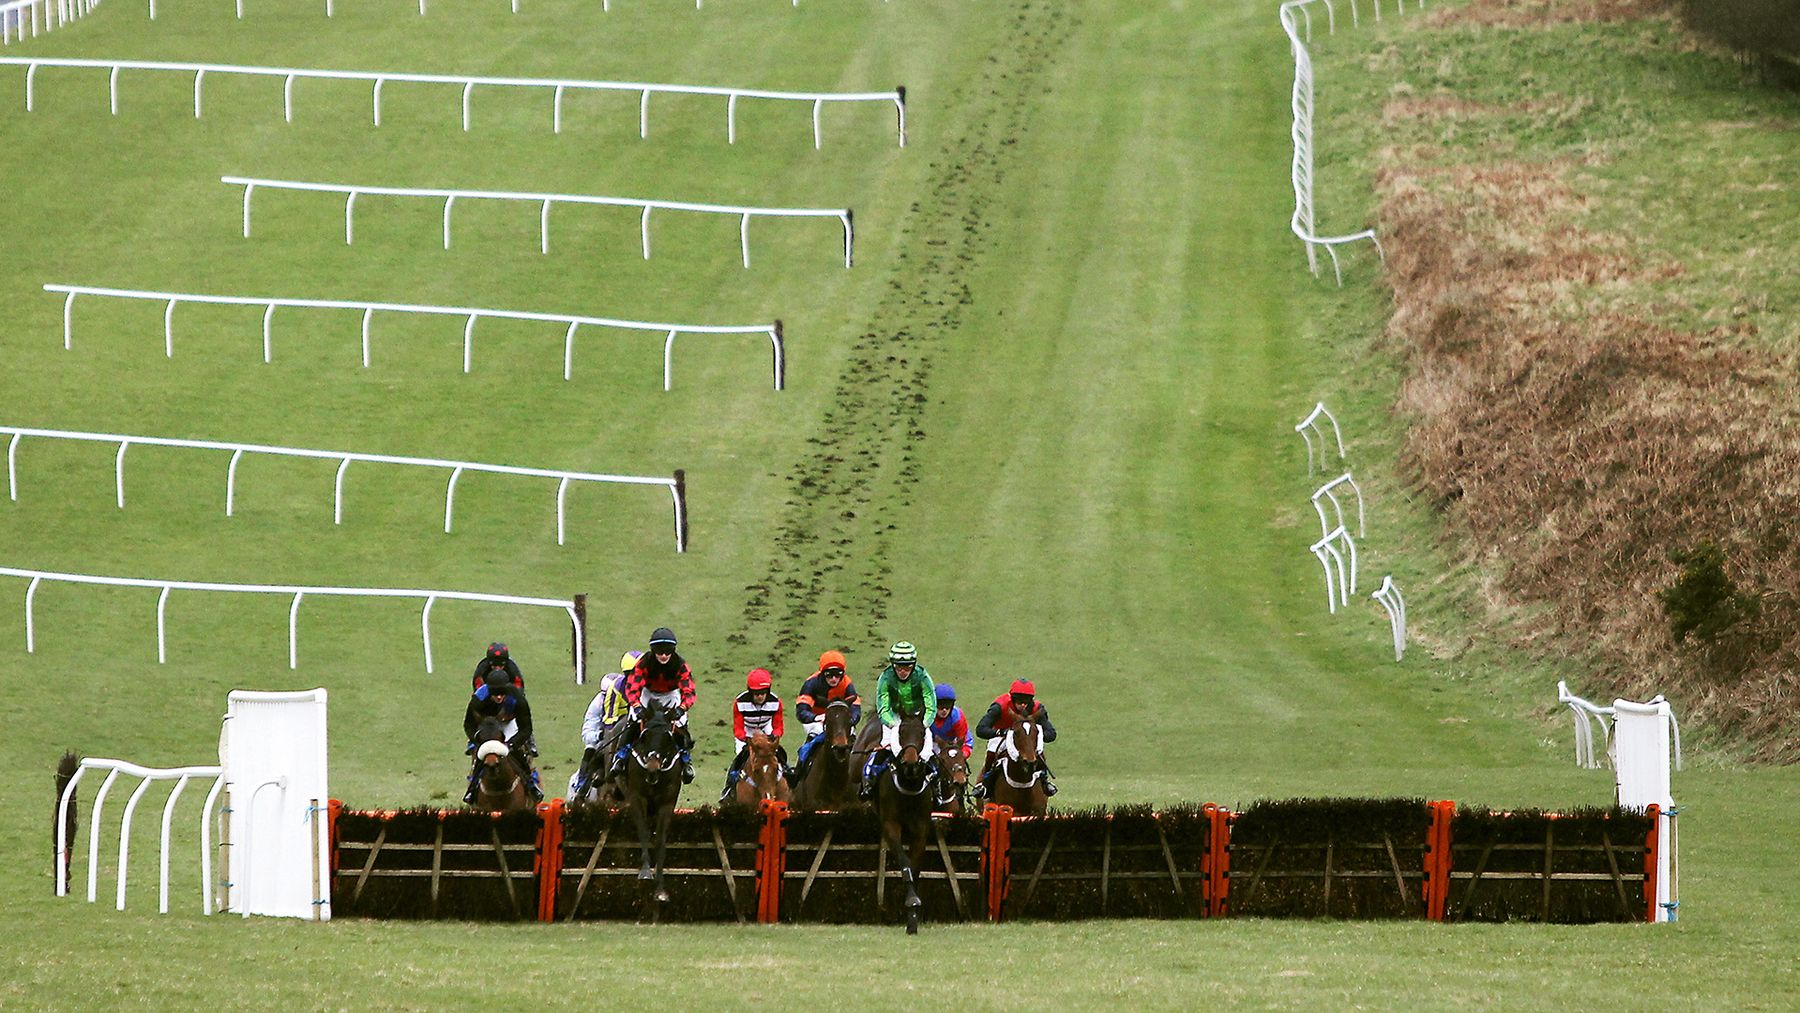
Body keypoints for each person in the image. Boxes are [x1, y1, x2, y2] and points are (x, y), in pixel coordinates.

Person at [609, 627, 697, 784]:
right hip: (647, 693)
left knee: (681, 725)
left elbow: (689, 691)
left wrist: (682, 708)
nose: (663, 655)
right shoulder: (643, 663)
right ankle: (620, 756)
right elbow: (632, 687)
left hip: (671, 694)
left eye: (667, 652)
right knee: (633, 721)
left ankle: (686, 761)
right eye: (659, 652)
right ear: (653, 650)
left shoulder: (681, 665)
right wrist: (636, 705)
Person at [859, 641, 938, 800]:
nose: (902, 671)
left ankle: (938, 789)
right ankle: (869, 782)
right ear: (893, 665)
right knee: (885, 748)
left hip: (917, 718)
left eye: (907, 667)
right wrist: (893, 724)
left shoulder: (923, 676)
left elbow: (931, 704)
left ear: (913, 665)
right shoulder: (886, 677)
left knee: (929, 751)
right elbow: (883, 706)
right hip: (894, 717)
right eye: (899, 667)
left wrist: (924, 723)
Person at [462, 669, 541, 803]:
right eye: (495, 694)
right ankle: (472, 788)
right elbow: (468, 725)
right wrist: (478, 741)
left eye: (502, 693)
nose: (499, 697)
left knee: (518, 753)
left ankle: (530, 784)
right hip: (486, 727)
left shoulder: (518, 698)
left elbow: (526, 728)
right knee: (480, 757)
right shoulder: (478, 698)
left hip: (509, 724)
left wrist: (511, 744)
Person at [971, 678, 1057, 799]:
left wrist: (1034, 735)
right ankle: (985, 783)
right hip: (1003, 735)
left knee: (1039, 751)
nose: (1022, 705)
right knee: (992, 751)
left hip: (1026, 737)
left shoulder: (1038, 708)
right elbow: (981, 729)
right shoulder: (999, 706)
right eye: (1019, 700)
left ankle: (1044, 779)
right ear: (1012, 698)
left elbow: (1051, 734)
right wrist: (1000, 732)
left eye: (1026, 701)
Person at [570, 650, 640, 799]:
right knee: (593, 749)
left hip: (632, 724)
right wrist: (598, 735)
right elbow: (605, 722)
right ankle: (586, 781)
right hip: (608, 730)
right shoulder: (601, 700)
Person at [719, 668, 791, 804]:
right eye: (756, 693)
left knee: (780, 752)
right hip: (747, 730)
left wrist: (774, 737)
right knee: (740, 758)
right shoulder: (740, 702)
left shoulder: (776, 702)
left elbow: (778, 726)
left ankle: (787, 773)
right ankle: (729, 787)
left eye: (763, 693)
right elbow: (738, 727)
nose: (760, 696)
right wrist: (747, 739)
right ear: (750, 692)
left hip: (765, 728)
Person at [792, 650, 861, 783]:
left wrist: (849, 721)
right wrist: (814, 718)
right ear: (823, 674)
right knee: (815, 737)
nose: (834, 679)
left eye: (837, 675)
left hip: (840, 720)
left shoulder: (847, 684)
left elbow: (856, 708)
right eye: (829, 676)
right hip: (817, 720)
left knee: (853, 738)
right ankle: (798, 772)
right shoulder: (811, 684)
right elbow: (801, 711)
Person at [929, 683, 972, 759]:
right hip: (931, 742)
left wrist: (963, 754)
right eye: (940, 705)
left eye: (948, 705)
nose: (944, 710)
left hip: (954, 743)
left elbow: (964, 741)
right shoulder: (927, 715)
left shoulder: (958, 717)